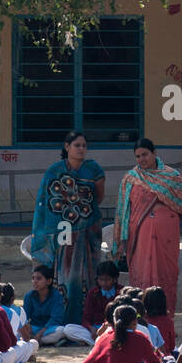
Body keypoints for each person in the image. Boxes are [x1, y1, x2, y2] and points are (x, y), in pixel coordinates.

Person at [111, 138, 182, 326]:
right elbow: (123, 210)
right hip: (139, 237)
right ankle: (141, 320)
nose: (141, 159)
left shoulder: (172, 176)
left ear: (154, 153)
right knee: (143, 274)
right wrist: (120, 240)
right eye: (137, 156)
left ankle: (166, 320)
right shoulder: (130, 178)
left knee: (166, 274)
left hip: (166, 237)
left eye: (145, 154)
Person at [31, 130, 105, 324]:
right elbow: (46, 202)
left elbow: (99, 198)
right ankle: (62, 317)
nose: (81, 149)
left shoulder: (94, 170)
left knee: (87, 275)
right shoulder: (54, 171)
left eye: (84, 146)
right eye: (77, 145)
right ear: (67, 147)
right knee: (64, 272)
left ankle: (85, 318)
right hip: (62, 230)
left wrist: (81, 215)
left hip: (88, 231)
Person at [73, 305, 168, 363]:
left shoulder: (106, 337)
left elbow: (92, 360)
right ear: (135, 321)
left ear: (114, 320)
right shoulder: (141, 337)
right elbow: (153, 362)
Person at [68, 260, 119, 346]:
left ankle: (97, 342)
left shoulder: (121, 292)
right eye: (101, 279)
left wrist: (107, 326)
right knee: (68, 329)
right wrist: (91, 329)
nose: (103, 283)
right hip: (95, 329)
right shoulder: (93, 293)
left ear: (114, 279)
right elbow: (85, 318)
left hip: (112, 328)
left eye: (107, 280)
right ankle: (102, 342)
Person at [24, 264, 69, 345]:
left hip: (48, 329)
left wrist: (39, 334)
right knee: (18, 329)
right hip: (34, 328)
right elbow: (24, 317)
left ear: (49, 281)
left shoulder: (56, 296)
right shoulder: (29, 296)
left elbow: (56, 318)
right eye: (33, 278)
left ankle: (36, 341)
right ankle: (41, 341)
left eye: (39, 278)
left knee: (61, 330)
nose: (34, 281)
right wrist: (28, 327)